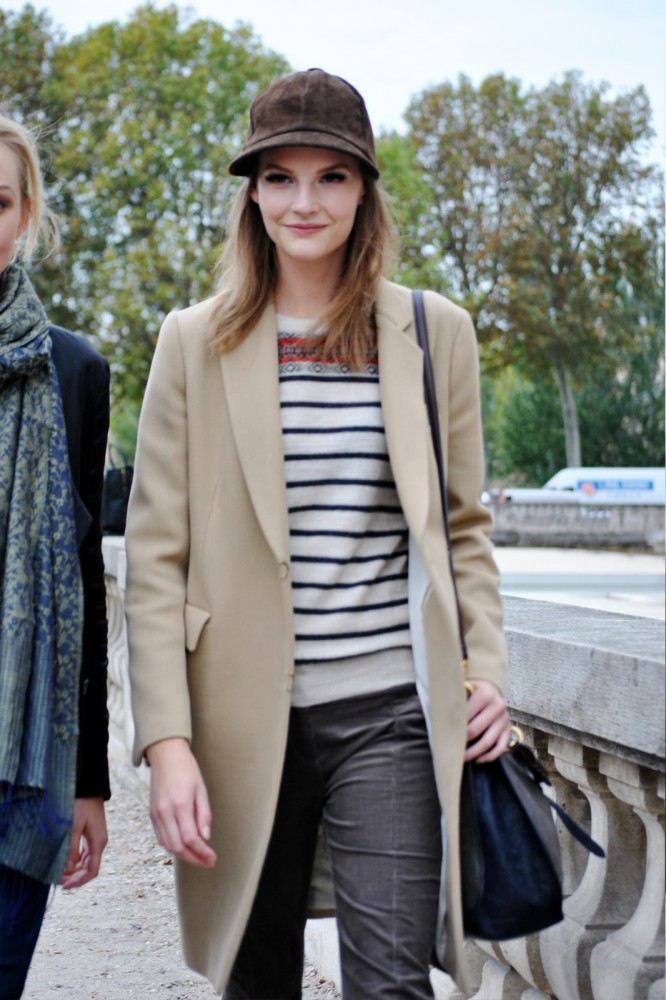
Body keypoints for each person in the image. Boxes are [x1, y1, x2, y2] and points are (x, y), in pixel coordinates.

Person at [125, 69, 510, 1000]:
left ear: (365, 191)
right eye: (280, 177)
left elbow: (464, 527)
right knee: (257, 980)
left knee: (392, 982)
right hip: (236, 721)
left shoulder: (435, 333)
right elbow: (155, 560)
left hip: (390, 712)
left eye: (331, 176)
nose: (305, 202)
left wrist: (489, 672)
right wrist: (167, 744)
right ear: (253, 195)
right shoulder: (192, 342)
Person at [0, 113, 110, 998]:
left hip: (27, 764)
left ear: (26, 213)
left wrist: (90, 784)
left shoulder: (75, 373)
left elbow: (86, 585)